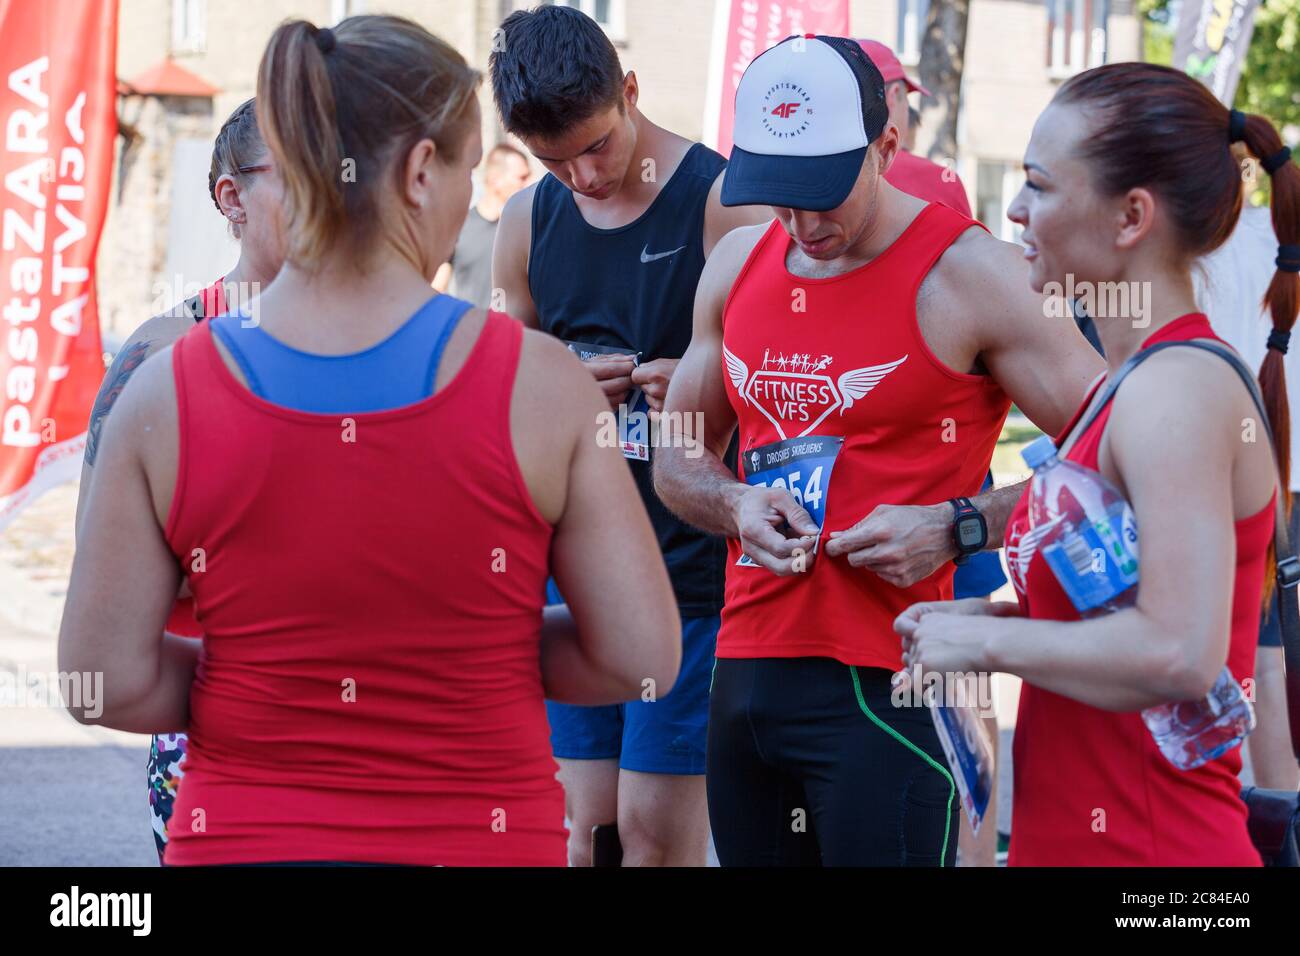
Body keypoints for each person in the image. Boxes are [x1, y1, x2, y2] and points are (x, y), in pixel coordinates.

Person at [60, 13, 680, 867]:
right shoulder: (542, 386)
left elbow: (101, 683)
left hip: (245, 842)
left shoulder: (166, 387)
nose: (476, 203)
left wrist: (270, 674)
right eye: (472, 171)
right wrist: (467, 653)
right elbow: (640, 654)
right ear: (424, 171)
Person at [654, 35, 1102, 867]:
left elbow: (1117, 457)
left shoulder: (973, 273)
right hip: (746, 677)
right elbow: (679, 452)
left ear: (886, 145)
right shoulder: (737, 264)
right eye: (781, 196)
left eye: (825, 193)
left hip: (896, 684)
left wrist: (962, 525)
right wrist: (733, 502)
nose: (804, 222)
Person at [897, 62, 1298, 865]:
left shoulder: (1174, 390)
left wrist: (986, 649)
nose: (1014, 211)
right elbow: (1120, 621)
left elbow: (1180, 654)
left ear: (1131, 218)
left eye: (1040, 186)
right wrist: (997, 619)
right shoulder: (1130, 382)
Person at [489, 4, 770, 867]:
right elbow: (499, 395)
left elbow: (791, 385)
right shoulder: (526, 222)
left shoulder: (724, 200)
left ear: (633, 92)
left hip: (692, 580)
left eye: (598, 146)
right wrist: (560, 383)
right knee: (585, 833)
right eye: (553, 160)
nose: (583, 176)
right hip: (573, 574)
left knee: (655, 842)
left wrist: (695, 383)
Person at [73, 97, 285, 863]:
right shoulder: (165, 352)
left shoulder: (399, 351)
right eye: (304, 176)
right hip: (216, 741)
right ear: (233, 198)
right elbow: (105, 595)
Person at [859, 38, 1005, 866]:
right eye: (902, 94)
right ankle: (976, 849)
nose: (910, 109)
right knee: (962, 672)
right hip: (949, 474)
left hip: (920, 481)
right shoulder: (933, 181)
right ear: (884, 102)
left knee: (936, 669)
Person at [1197, 186, 1300, 793]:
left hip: (1239, 474)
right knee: (1270, 649)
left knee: (1261, 652)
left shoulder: (1199, 246)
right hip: (1270, 471)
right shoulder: (1259, 237)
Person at [858, 39, 972, 218]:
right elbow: (971, 245)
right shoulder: (942, 181)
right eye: (907, 99)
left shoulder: (813, 174)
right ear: (893, 96)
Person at [432, 143, 530, 307]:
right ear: (495, 179)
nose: (527, 185)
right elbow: (436, 289)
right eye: (521, 178)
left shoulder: (528, 228)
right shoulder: (460, 227)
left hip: (518, 331)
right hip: (475, 330)